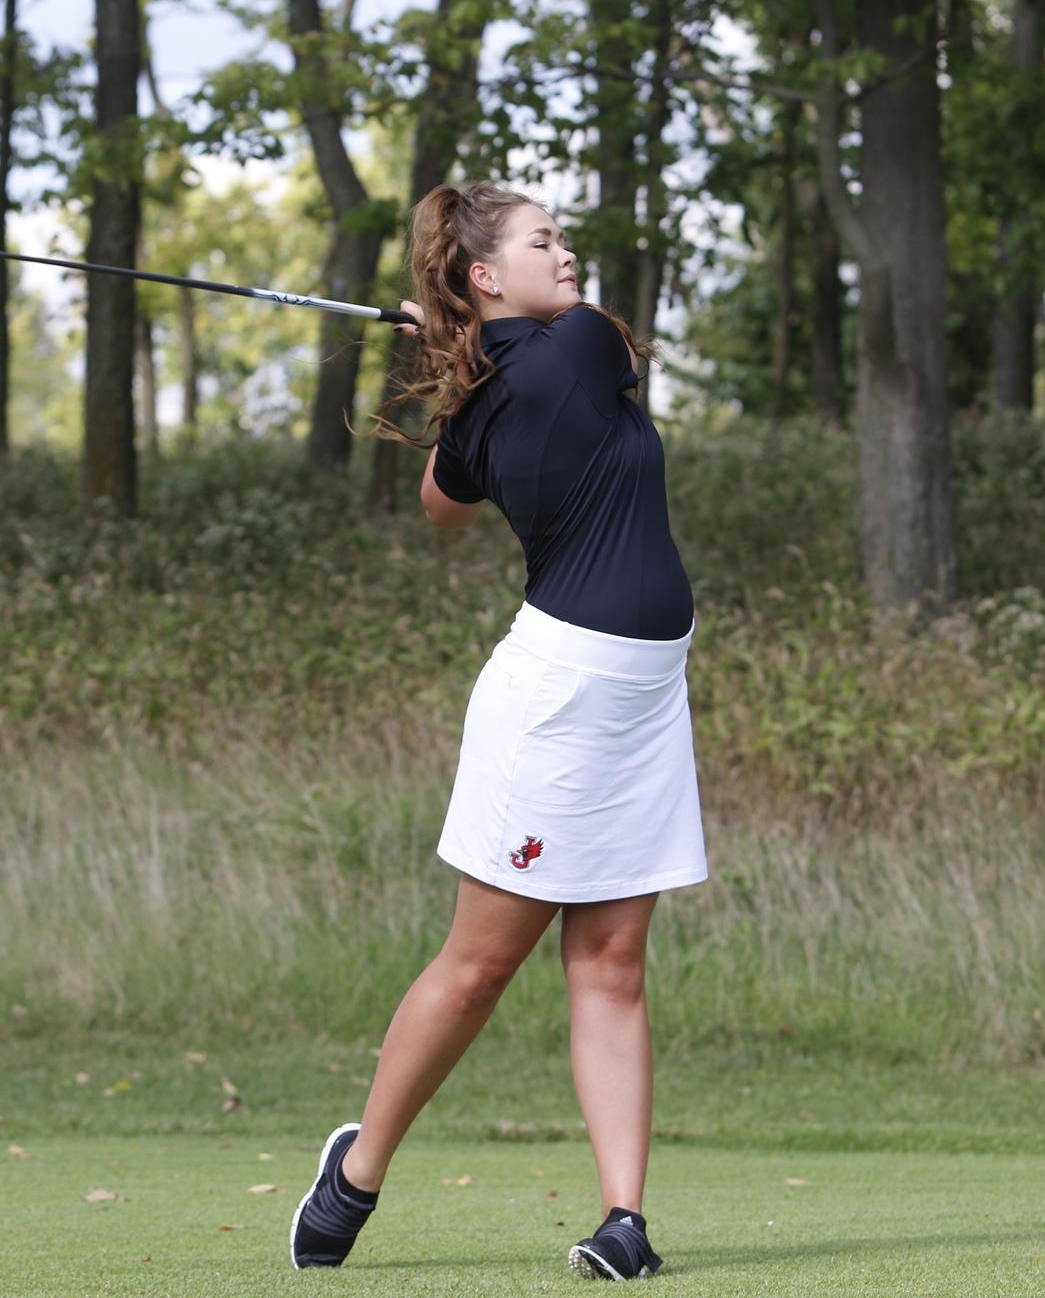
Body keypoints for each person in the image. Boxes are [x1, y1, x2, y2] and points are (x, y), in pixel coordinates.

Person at [289, 182, 705, 1281]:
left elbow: (444, 497)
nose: (565, 254)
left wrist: (470, 365)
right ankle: (358, 1170)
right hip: (557, 699)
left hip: (643, 698)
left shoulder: (531, 364)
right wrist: (480, 362)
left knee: (611, 962)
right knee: (480, 967)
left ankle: (624, 1219)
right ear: (481, 272)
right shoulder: (572, 350)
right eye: (542, 240)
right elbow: (453, 496)